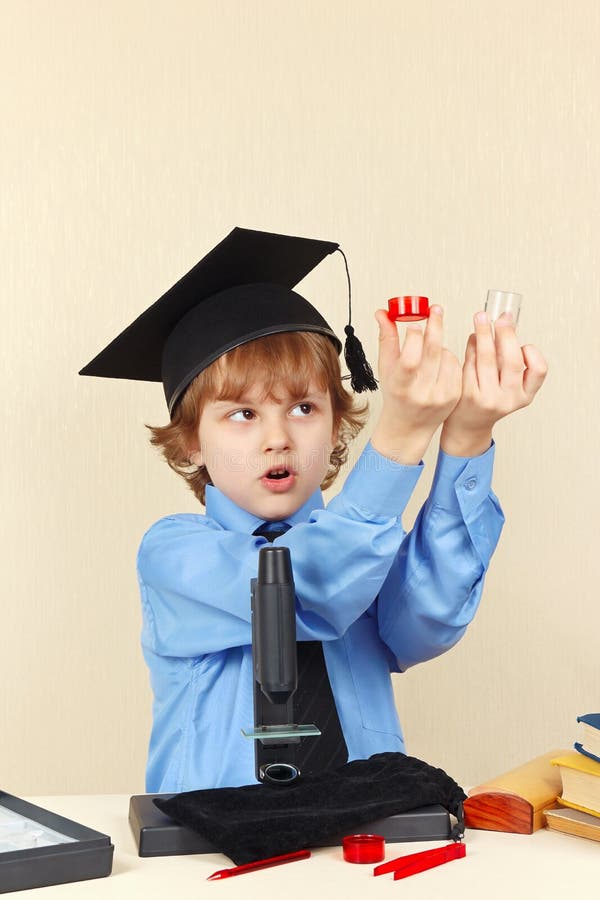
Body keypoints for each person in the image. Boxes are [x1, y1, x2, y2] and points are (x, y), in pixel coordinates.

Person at [80, 228, 547, 793]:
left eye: (303, 407)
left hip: (364, 819)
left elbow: (428, 621)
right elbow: (306, 590)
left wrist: (468, 434)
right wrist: (399, 437)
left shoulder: (369, 550)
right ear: (192, 442)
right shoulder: (174, 554)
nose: (277, 438)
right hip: (215, 829)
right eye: (242, 414)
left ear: (335, 424)